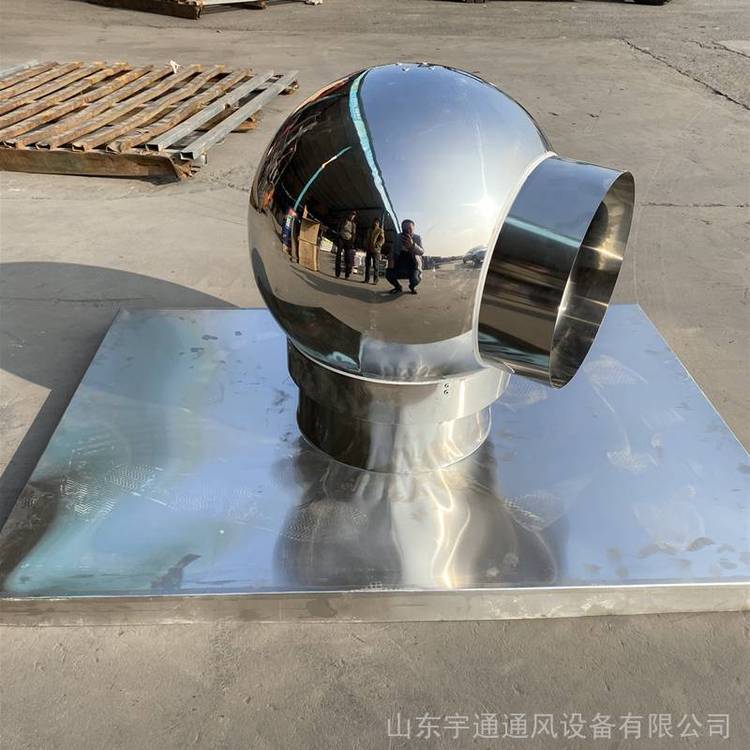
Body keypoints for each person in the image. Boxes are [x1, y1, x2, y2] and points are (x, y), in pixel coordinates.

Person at [386, 219, 424, 295]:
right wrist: (391, 259)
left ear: (413, 228)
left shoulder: (417, 238)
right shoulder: (397, 237)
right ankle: (398, 287)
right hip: (400, 263)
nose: (407, 231)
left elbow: (421, 252)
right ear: (402, 229)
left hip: (413, 265)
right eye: (405, 229)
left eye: (410, 228)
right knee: (388, 274)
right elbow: (392, 251)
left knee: (415, 279)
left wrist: (412, 245)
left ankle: (412, 287)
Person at [335, 211, 357, 279]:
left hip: (348, 240)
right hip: (341, 238)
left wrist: (352, 241)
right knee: (338, 255)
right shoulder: (344, 221)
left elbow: (354, 234)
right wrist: (338, 236)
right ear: (349, 215)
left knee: (347, 257)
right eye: (351, 215)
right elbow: (339, 228)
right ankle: (337, 273)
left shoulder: (353, 225)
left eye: (353, 216)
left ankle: (347, 274)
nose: (352, 216)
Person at [364, 218, 385, 284]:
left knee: (376, 265)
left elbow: (382, 240)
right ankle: (366, 279)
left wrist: (377, 245)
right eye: (374, 222)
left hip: (376, 250)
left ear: (378, 224)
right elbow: (367, 238)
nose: (375, 223)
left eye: (377, 222)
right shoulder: (369, 230)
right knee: (367, 265)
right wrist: (366, 245)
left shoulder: (380, 230)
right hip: (369, 249)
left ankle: (375, 280)